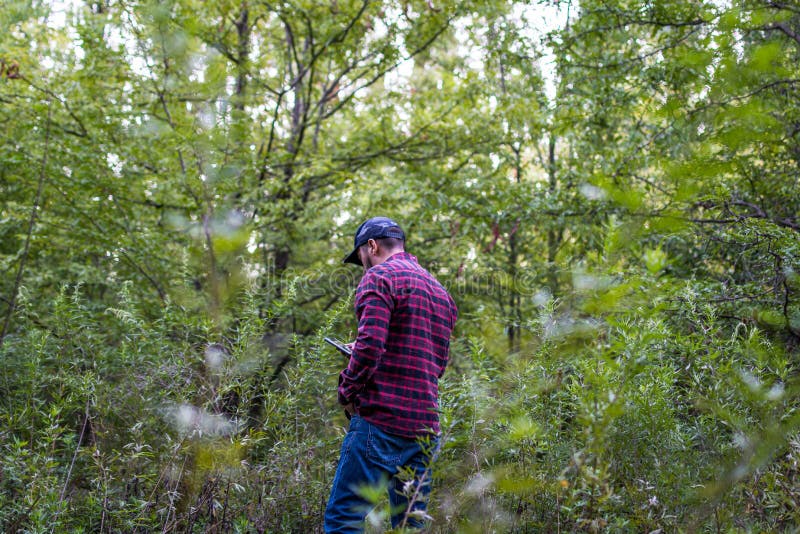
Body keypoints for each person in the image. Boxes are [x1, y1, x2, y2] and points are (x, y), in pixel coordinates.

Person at [324, 216, 458, 533]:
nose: (363, 266)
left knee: (344, 519)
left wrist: (346, 392)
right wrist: (367, 350)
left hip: (381, 422)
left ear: (371, 246)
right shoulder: (441, 293)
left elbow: (371, 346)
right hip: (424, 430)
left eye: (361, 257)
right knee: (409, 526)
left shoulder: (379, 277)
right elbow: (436, 365)